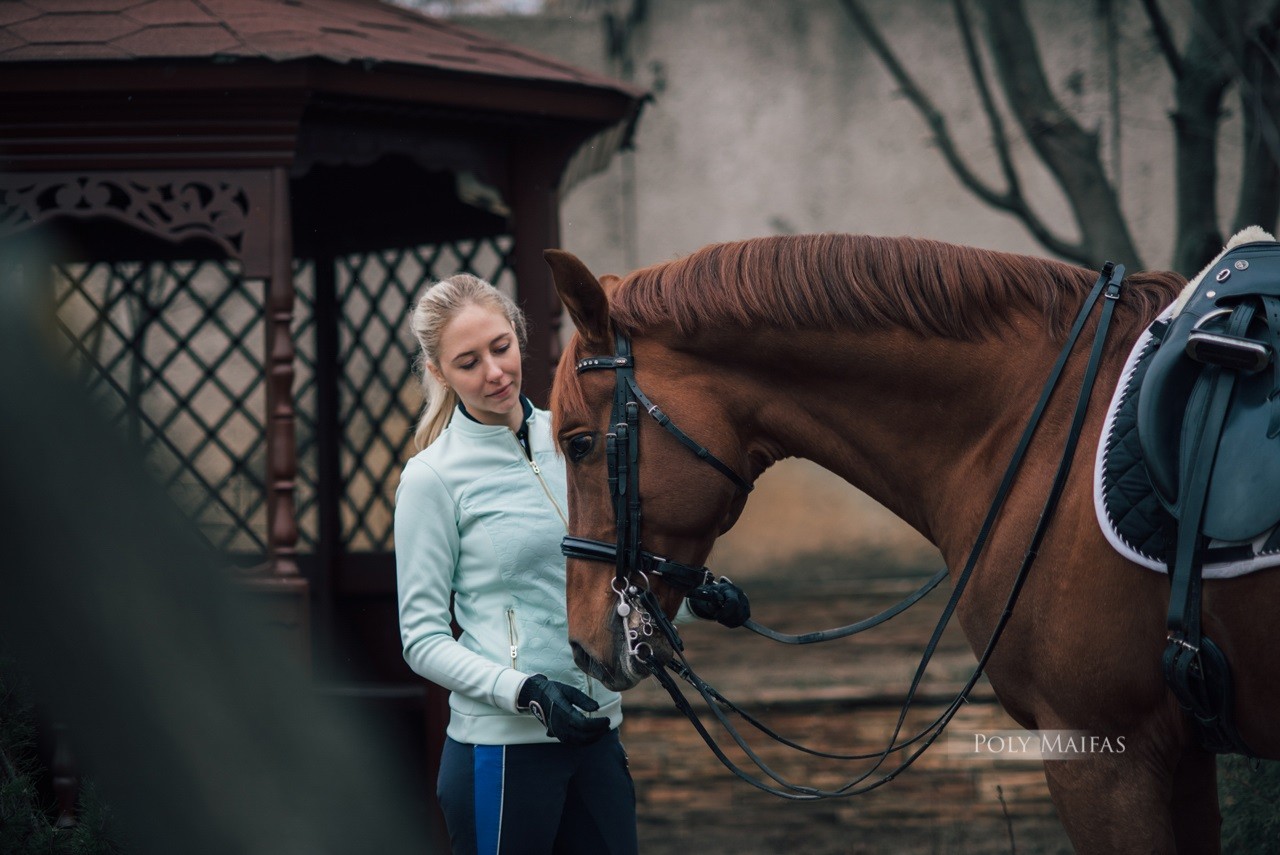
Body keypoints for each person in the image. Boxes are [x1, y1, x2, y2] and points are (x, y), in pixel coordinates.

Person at [395, 273, 638, 855]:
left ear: (519, 336)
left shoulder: (574, 439)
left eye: (501, 348)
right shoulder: (432, 479)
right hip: (502, 752)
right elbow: (421, 639)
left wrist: (697, 590)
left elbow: (616, 569)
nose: (495, 373)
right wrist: (527, 691)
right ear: (439, 373)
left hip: (598, 733)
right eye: (468, 362)